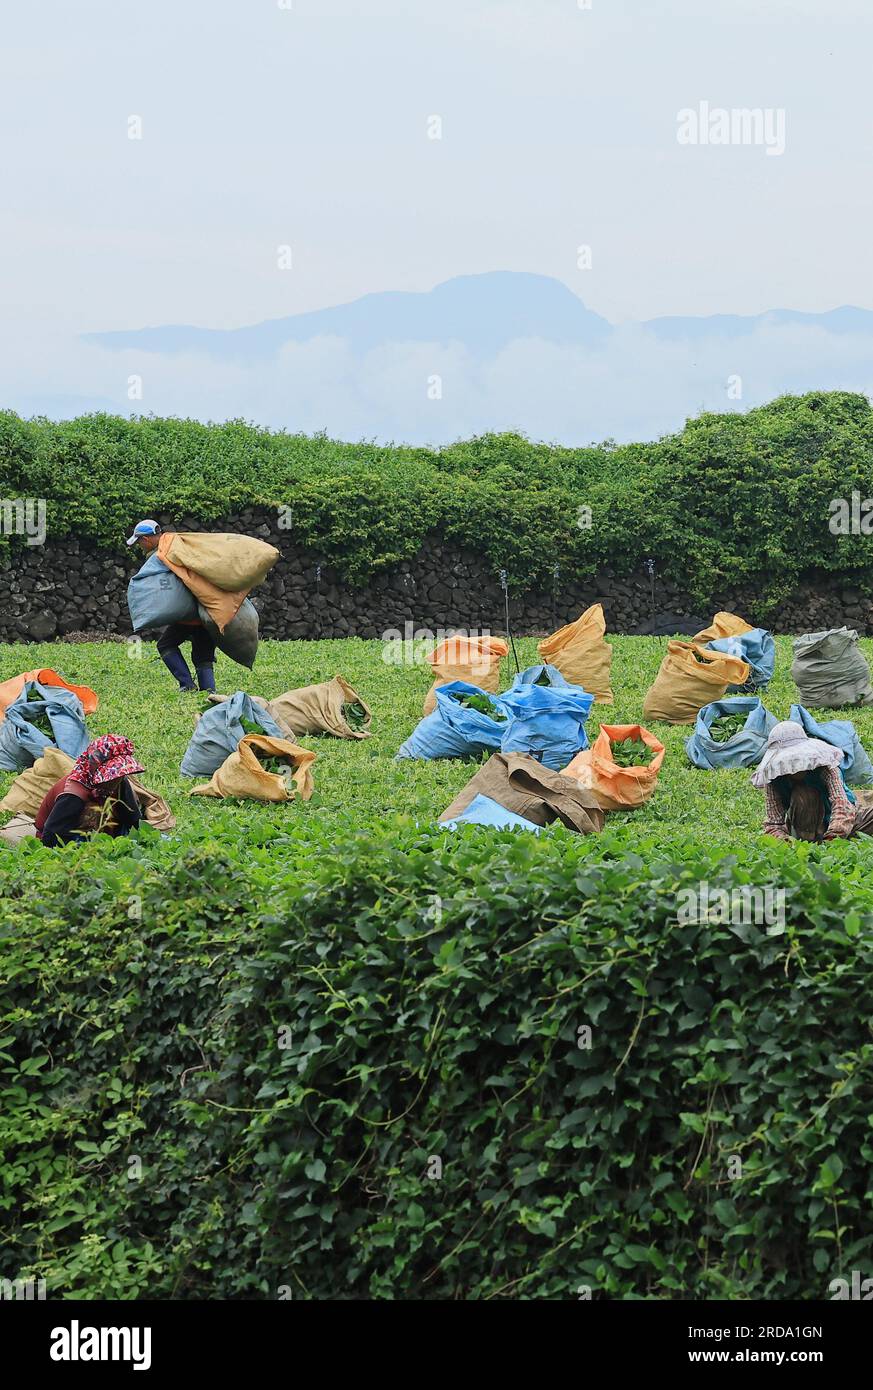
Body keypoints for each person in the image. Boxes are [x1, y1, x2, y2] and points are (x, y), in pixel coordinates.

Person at [126, 519, 217, 694]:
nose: (140, 546)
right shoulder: (181, 548)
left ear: (145, 540)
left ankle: (187, 685)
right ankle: (209, 693)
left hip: (187, 618)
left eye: (139, 542)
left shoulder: (159, 556)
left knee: (165, 645)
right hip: (207, 612)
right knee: (203, 656)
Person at [751, 721, 873, 842]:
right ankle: (810, 842)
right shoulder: (773, 780)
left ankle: (835, 839)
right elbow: (774, 823)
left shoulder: (826, 769)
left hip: (842, 822)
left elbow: (841, 804)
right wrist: (785, 842)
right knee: (804, 794)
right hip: (805, 830)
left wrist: (833, 838)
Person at [35, 734, 145, 847]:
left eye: (120, 775)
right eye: (113, 776)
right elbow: (51, 836)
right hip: (69, 837)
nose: (116, 780)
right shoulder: (73, 794)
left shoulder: (120, 782)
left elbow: (133, 819)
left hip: (104, 836)